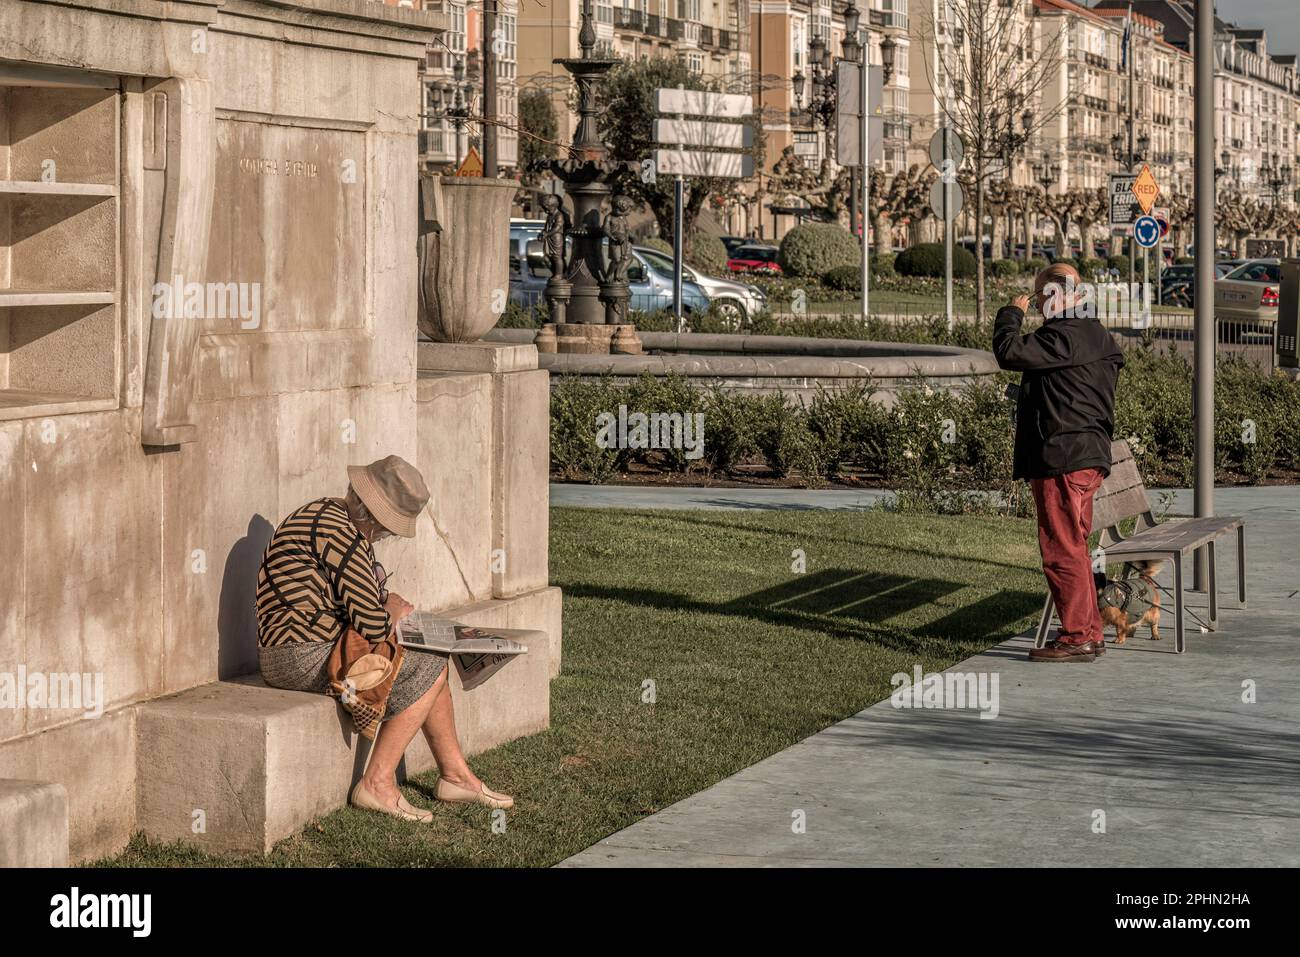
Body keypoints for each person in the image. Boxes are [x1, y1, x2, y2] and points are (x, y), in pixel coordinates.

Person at [256, 454, 513, 820]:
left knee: (430, 665)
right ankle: (377, 783)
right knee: (431, 666)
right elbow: (372, 625)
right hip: (298, 656)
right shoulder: (340, 533)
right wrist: (392, 609)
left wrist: (388, 607)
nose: (388, 535)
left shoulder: (333, 518)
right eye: (389, 528)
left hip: (306, 647)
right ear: (372, 516)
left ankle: (457, 777)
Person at [992, 264, 1125, 663]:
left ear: (1058, 296)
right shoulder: (1094, 333)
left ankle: (1077, 637)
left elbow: (1009, 352)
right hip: (1086, 457)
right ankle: (1089, 633)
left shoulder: (1063, 334)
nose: (1037, 307)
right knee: (1074, 546)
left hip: (1062, 458)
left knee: (1061, 549)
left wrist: (1010, 314)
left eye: (1038, 299)